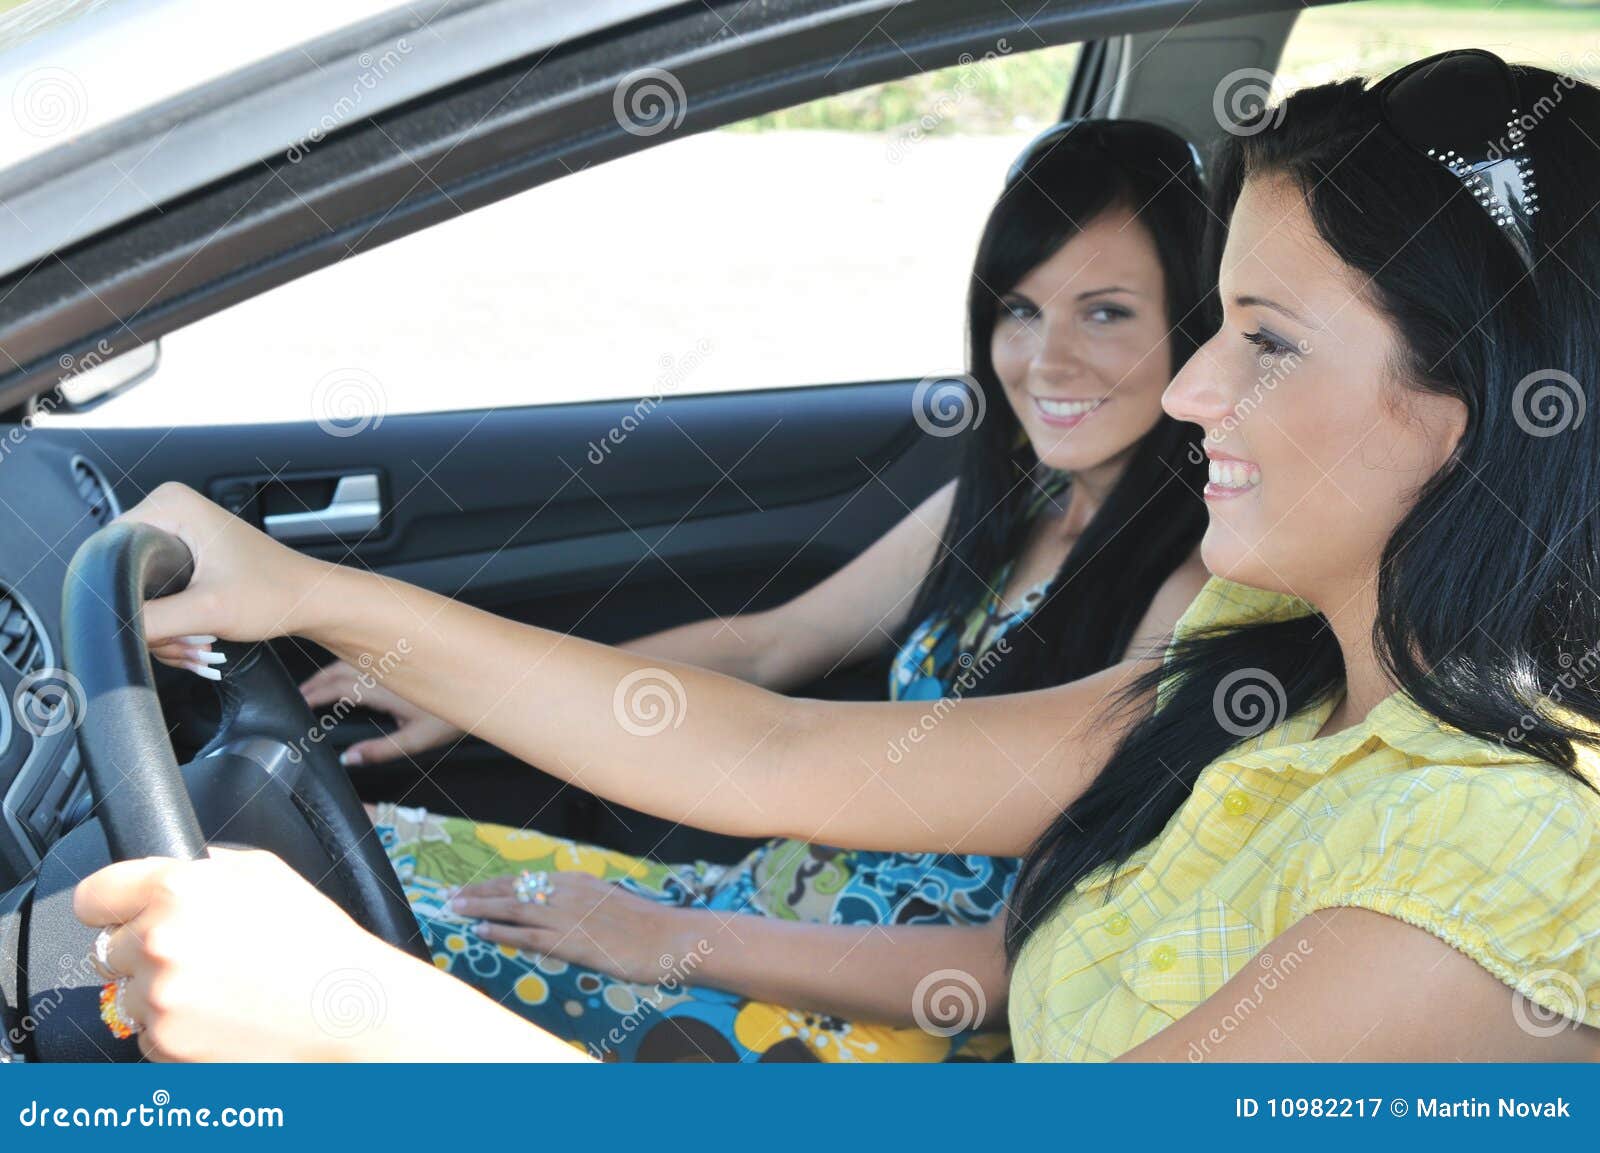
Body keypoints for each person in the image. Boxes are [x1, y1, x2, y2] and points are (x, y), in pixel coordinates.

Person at [78, 51, 1600, 1061]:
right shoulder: (1277, 660)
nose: (1191, 391)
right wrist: (308, 590)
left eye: (1262, 344)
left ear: (1477, 419)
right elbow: (774, 745)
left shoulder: (1499, 874)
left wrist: (363, 1022)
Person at [290, 119, 1214, 1061]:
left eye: (1106, 313)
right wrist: (467, 688)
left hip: (867, 1022)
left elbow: (1011, 963)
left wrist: (667, 942)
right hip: (751, 912)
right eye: (1020, 310)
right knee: (358, 857)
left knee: (334, 974)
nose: (1046, 359)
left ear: (1196, 329)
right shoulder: (1008, 506)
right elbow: (767, 642)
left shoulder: (1186, 599)